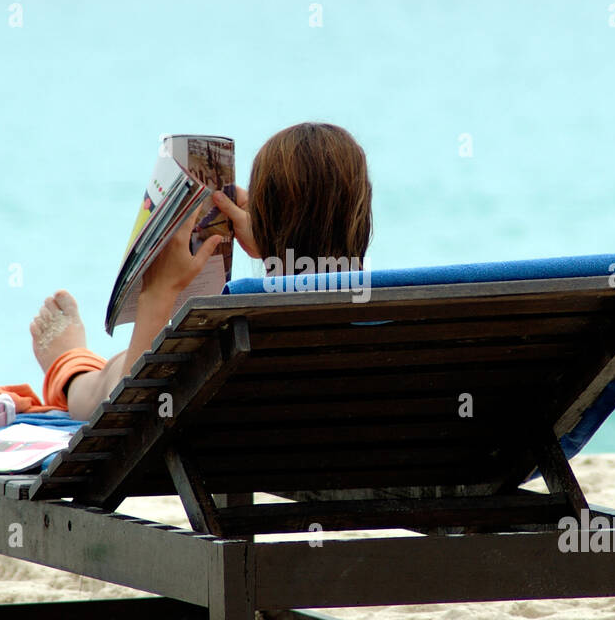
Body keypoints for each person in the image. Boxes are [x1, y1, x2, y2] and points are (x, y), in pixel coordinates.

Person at [30, 123, 373, 422]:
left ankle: (70, 367)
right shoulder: (396, 317)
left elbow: (126, 421)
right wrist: (276, 251)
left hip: (230, 451)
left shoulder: (234, 327)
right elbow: (312, 293)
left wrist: (159, 293)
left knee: (115, 376)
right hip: (351, 457)